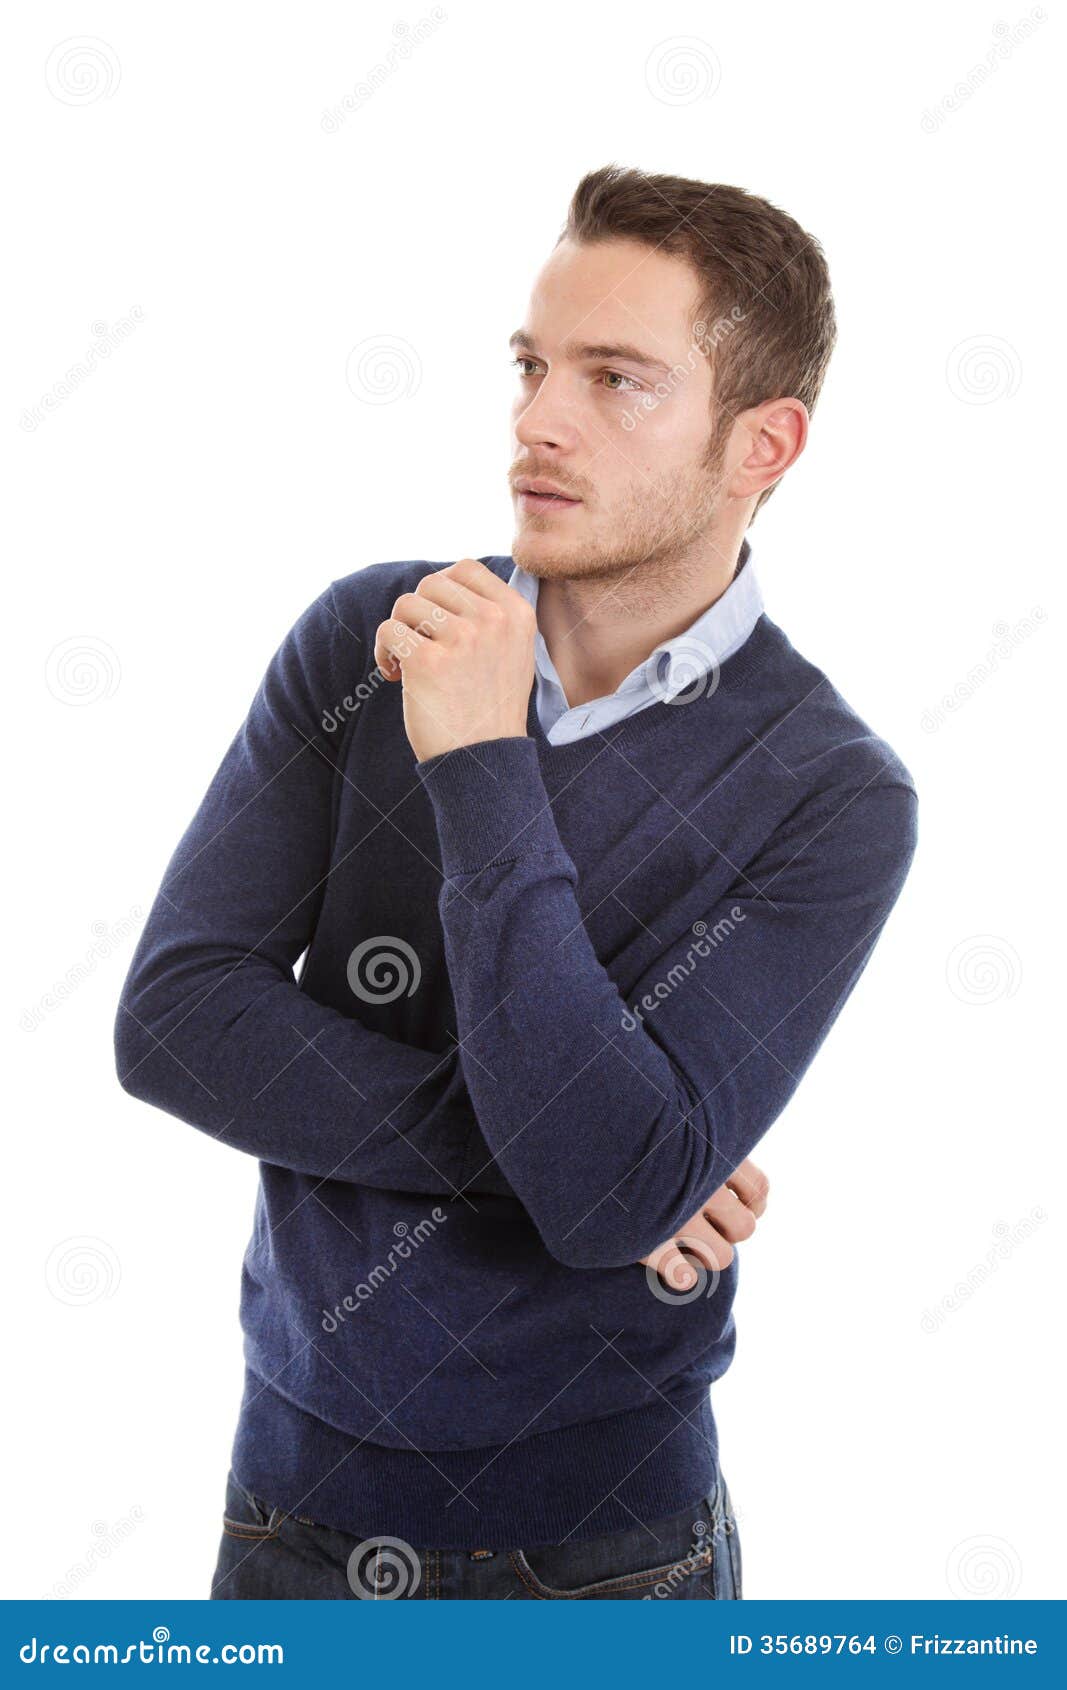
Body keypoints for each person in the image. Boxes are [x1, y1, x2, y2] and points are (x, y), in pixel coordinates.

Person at [114, 166, 918, 1600]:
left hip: (610, 1554)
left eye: (619, 379)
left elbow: (612, 1182)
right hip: (292, 1507)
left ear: (763, 445)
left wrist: (482, 753)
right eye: (533, 366)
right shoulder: (370, 635)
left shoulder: (835, 795)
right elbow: (174, 1021)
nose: (538, 420)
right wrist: (605, 1170)